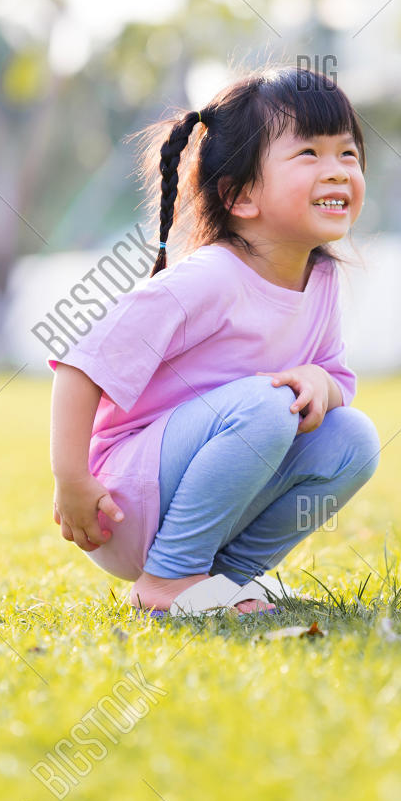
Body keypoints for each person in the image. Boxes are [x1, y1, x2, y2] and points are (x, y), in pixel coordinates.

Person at [47, 64, 380, 615]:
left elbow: (338, 380)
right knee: (267, 407)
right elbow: (83, 366)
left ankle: (227, 579)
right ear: (240, 196)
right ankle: (168, 580)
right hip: (126, 502)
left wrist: (320, 382)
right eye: (309, 155)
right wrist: (72, 481)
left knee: (353, 438)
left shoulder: (320, 280)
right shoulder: (208, 279)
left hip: (209, 496)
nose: (338, 171)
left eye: (348, 153)